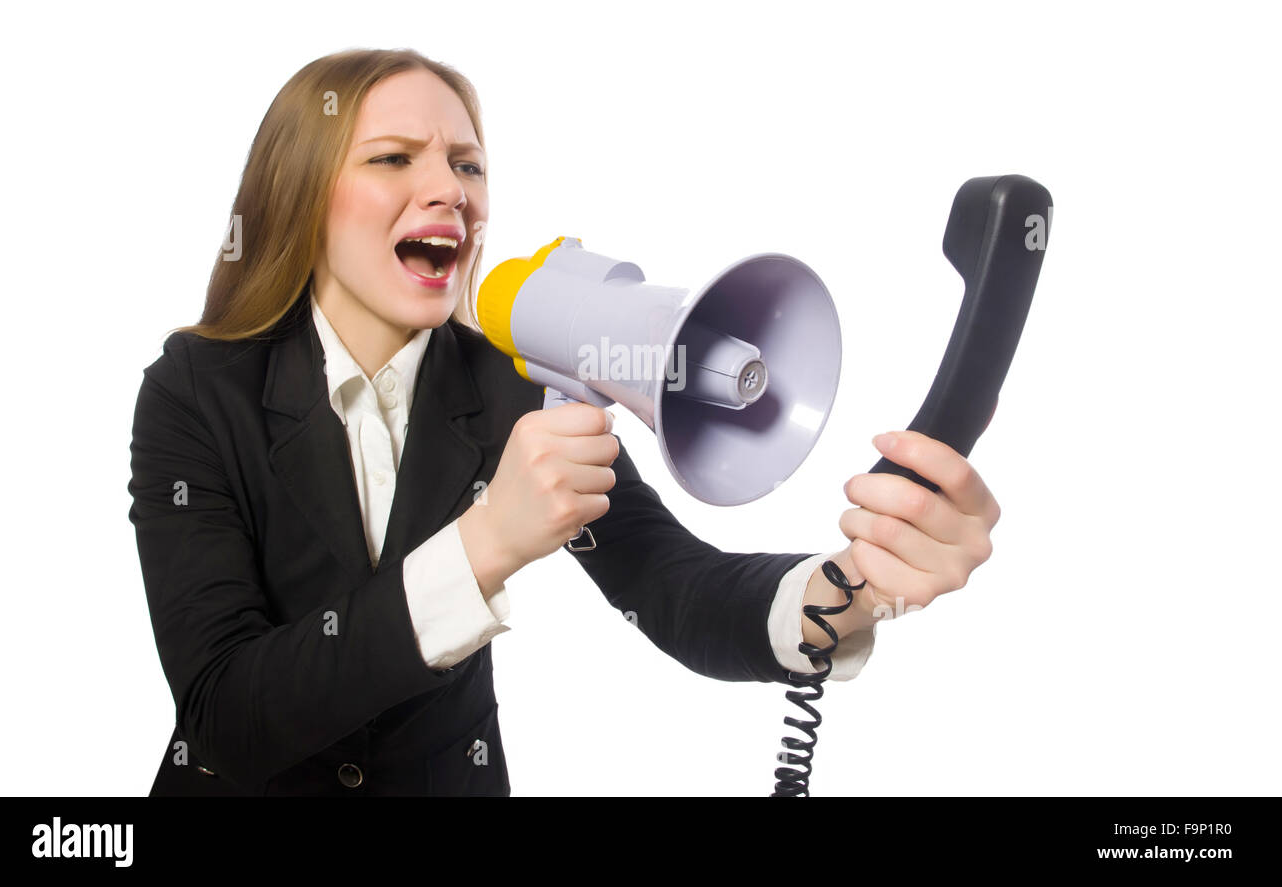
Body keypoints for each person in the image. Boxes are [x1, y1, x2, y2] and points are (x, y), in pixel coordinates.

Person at [127, 47, 1001, 796]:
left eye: (467, 166)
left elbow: (671, 587)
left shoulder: (511, 389)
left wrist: (854, 585)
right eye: (394, 159)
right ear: (303, 193)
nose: (450, 192)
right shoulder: (198, 391)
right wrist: (485, 544)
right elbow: (225, 717)